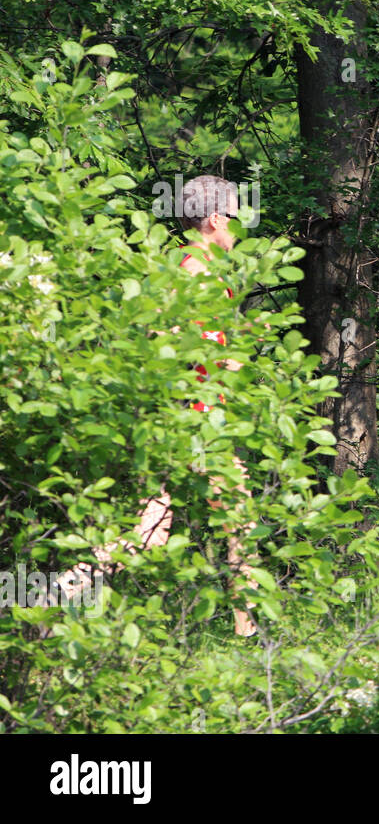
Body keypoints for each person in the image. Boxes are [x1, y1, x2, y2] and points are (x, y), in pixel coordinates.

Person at [54, 174, 258, 637]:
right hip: (191, 418)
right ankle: (248, 636)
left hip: (196, 417)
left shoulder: (206, 273)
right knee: (234, 520)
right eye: (235, 219)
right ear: (214, 219)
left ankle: (60, 593)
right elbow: (162, 341)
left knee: (154, 528)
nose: (240, 229)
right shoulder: (192, 272)